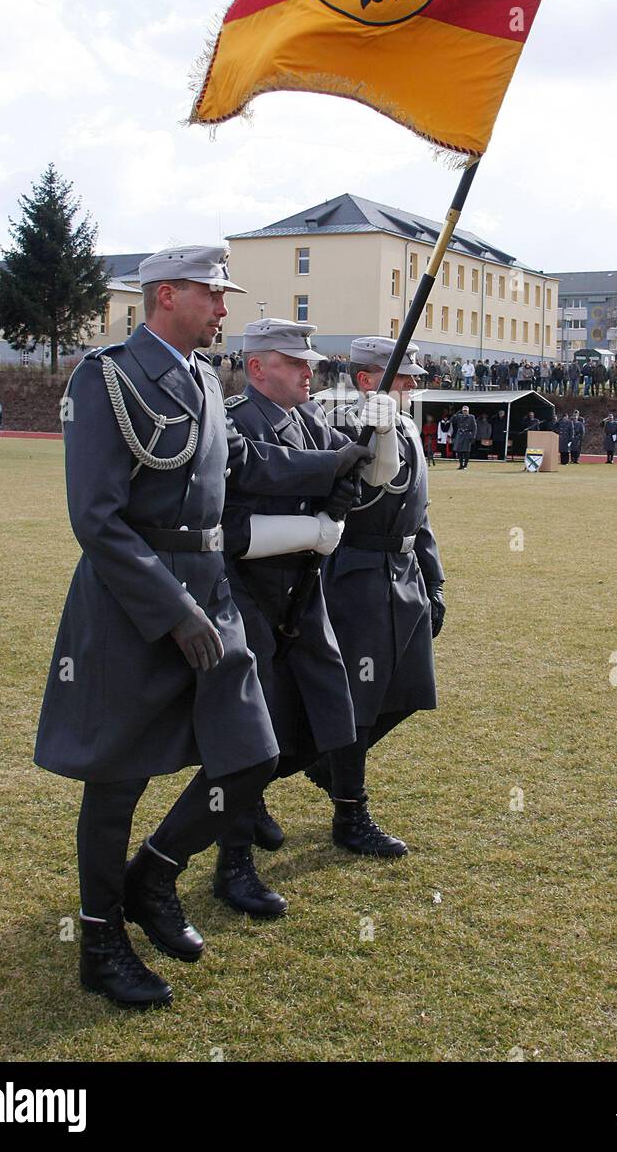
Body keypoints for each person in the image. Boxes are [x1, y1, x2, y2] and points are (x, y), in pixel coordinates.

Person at [34, 246, 370, 1009]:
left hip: (209, 593)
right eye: (212, 295)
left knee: (251, 754)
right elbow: (97, 519)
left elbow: (245, 463)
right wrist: (172, 612)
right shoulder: (106, 378)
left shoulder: (198, 377)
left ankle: (153, 876)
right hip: (133, 605)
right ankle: (99, 938)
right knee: (116, 779)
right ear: (166, 297)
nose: (225, 310)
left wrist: (333, 463)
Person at [213, 318, 397, 915]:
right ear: (259, 368)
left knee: (325, 713)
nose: (308, 372)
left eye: (310, 362)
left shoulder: (310, 420)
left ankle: (320, 808)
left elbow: (353, 482)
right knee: (253, 729)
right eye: (295, 363)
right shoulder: (236, 424)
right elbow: (229, 525)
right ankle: (233, 861)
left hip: (304, 590)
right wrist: (316, 519)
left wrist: (344, 486)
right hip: (250, 592)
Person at [309, 335, 445, 857]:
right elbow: (361, 495)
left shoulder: (408, 424)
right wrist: (374, 433)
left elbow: (420, 510)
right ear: (367, 380)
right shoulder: (344, 423)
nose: (412, 382)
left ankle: (327, 765)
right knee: (359, 703)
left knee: (411, 690)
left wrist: (434, 579)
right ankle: (351, 812)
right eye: (402, 374)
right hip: (360, 573)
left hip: (405, 568)